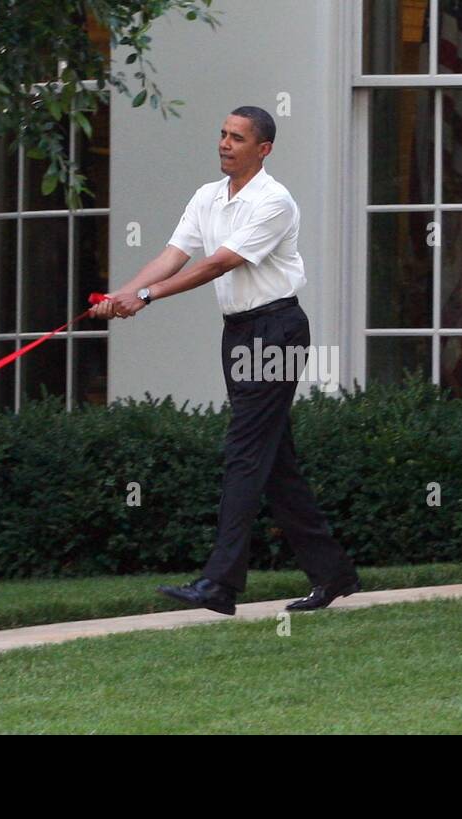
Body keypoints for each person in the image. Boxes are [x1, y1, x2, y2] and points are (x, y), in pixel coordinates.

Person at [89, 105, 360, 613]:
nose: (224, 144)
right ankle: (334, 574)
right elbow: (175, 255)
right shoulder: (206, 198)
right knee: (274, 460)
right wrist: (120, 295)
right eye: (222, 134)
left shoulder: (274, 202)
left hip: (276, 331)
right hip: (238, 333)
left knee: (244, 451)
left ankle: (220, 583)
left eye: (237, 137)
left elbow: (218, 263)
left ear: (264, 149)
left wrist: (145, 299)